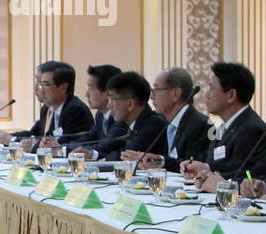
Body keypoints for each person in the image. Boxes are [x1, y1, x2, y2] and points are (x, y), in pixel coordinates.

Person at [182, 62, 266, 193]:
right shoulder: (223, 125)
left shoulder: (252, 128)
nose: (207, 94)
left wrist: (215, 179)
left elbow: (245, 173)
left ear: (231, 95)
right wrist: (204, 168)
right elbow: (221, 161)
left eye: (211, 88)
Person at [124, 67, 212, 172]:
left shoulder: (200, 125)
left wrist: (160, 161)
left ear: (175, 93)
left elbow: (192, 166)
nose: (152, 97)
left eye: (156, 89)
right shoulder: (168, 123)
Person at [0, 61, 93, 146]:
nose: (40, 90)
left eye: (45, 84)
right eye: (40, 83)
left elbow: (64, 145)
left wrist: (13, 140)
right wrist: (4, 136)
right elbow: (35, 135)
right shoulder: (48, 109)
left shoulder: (75, 110)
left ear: (63, 87)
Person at [91, 71, 167, 161]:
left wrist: (105, 160)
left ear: (130, 103)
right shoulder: (131, 124)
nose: (109, 106)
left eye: (112, 99)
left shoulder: (153, 124)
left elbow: (128, 155)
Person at [62, 64, 124, 155]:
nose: (87, 94)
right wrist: (62, 148)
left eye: (91, 88)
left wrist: (63, 150)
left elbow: (104, 146)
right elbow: (87, 139)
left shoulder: (121, 116)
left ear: (108, 92)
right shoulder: (100, 114)